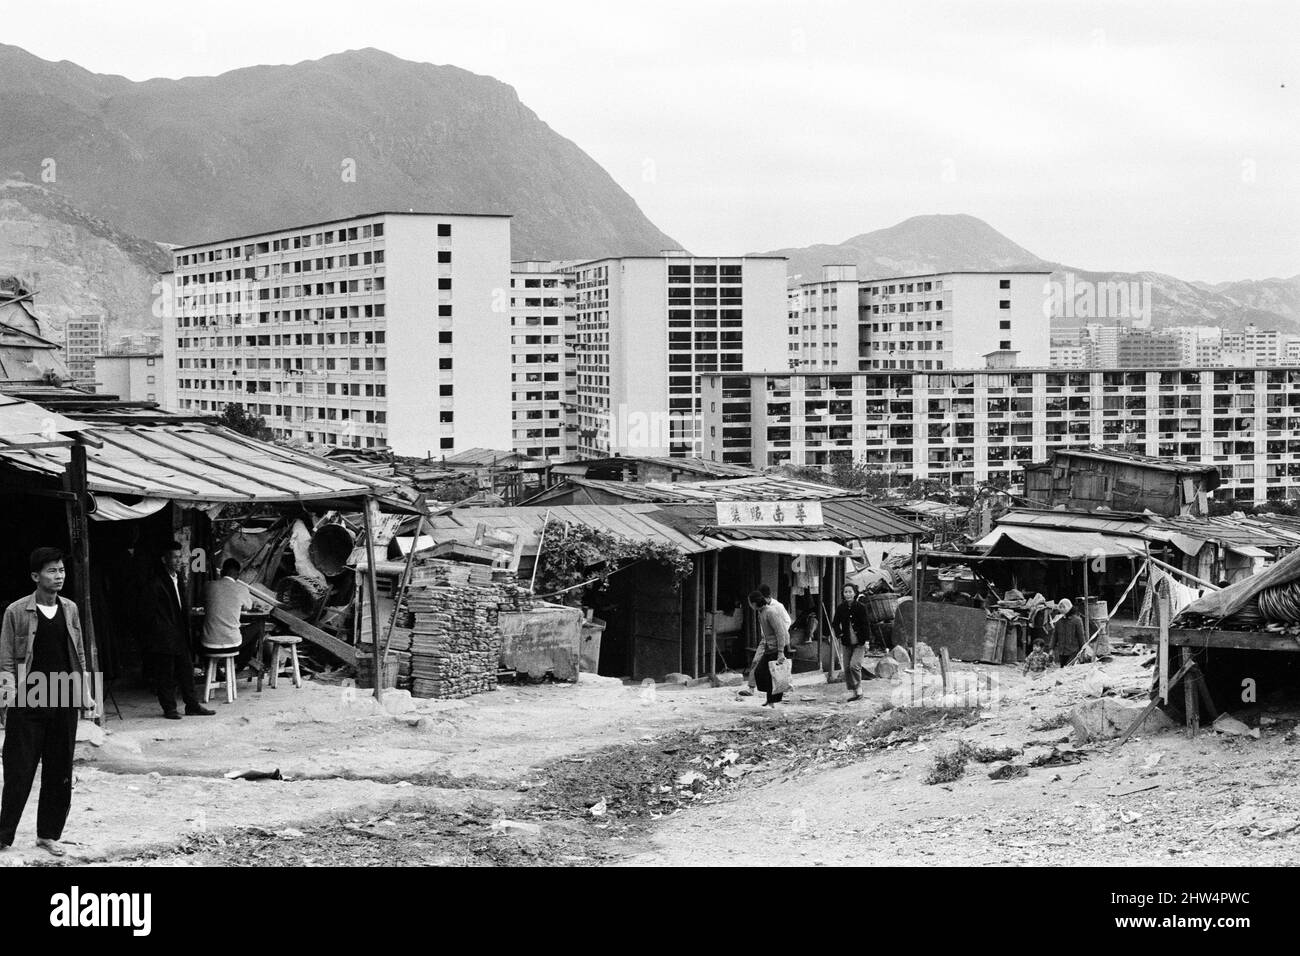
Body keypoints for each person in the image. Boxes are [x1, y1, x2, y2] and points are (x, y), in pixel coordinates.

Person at [0, 548, 96, 856]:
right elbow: (5, 661)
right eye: (52, 571)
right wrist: (7, 703)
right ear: (35, 576)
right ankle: (3, 835)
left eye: (62, 571)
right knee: (19, 769)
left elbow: (78, 653)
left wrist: (85, 691)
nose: (59, 577)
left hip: (64, 694)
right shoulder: (16, 611)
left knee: (59, 770)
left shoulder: (69, 609)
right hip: (28, 698)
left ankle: (48, 835)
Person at [139, 541, 213, 719]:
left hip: (180, 632)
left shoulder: (178, 578)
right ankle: (169, 709)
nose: (179, 560)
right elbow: (146, 612)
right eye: (175, 557)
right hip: (164, 635)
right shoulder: (155, 582)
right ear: (164, 560)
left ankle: (192, 705)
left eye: (181, 557)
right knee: (166, 674)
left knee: (186, 671)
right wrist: (159, 631)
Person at [201, 558, 255, 658]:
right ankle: (239, 665)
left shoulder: (208, 586)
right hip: (232, 645)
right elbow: (248, 607)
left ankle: (212, 667)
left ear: (221, 572)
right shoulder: (242, 589)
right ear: (238, 575)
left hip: (208, 644)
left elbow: (204, 603)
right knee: (256, 627)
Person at [747, 589, 790, 707]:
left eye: (750, 603)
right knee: (761, 672)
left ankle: (773, 700)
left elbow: (780, 632)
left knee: (774, 674)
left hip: (778, 646)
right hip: (769, 645)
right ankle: (770, 699)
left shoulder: (771, 612)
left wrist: (781, 652)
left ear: (754, 603)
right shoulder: (761, 612)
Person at [833, 583, 873, 701]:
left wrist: (866, 641)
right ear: (843, 594)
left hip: (860, 642)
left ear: (855, 593)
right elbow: (835, 623)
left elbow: (866, 625)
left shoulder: (861, 607)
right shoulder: (841, 608)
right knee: (846, 667)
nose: (848, 594)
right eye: (846, 592)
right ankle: (855, 692)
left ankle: (859, 688)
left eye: (850, 592)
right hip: (847, 642)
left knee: (854, 665)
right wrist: (839, 634)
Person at [1050, 601, 1085, 668]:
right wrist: (1051, 648)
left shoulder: (1077, 620)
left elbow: (1081, 636)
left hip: (1073, 651)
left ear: (1069, 607)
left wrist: (1082, 651)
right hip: (1062, 651)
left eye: (1064, 607)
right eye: (1060, 607)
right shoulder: (1058, 621)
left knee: (1071, 669)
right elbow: (1054, 636)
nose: (1062, 609)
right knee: (1063, 669)